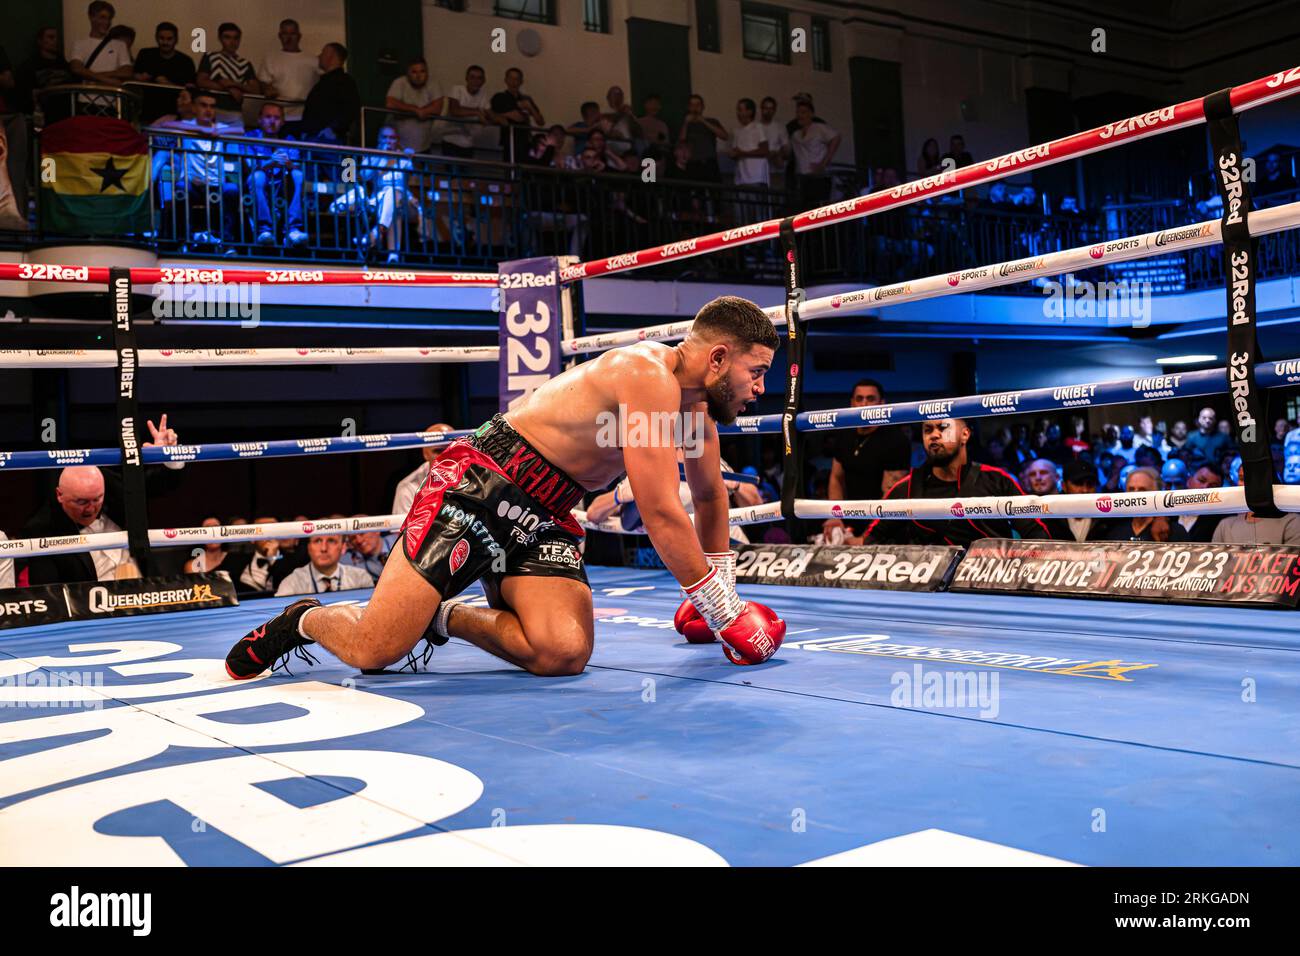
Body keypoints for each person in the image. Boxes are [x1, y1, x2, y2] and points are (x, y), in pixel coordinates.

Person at [225, 295, 787, 680]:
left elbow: (711, 499)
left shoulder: (696, 417)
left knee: (563, 652)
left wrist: (719, 593)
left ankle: (442, 615)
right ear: (717, 358)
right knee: (376, 650)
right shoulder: (646, 376)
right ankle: (301, 618)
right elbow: (662, 511)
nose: (760, 388)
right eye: (755, 371)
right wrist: (724, 611)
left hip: (546, 512)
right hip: (478, 488)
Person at [19, 416, 184, 585]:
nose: (91, 508)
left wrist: (168, 456)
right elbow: (50, 594)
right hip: (94, 605)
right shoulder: (42, 529)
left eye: (97, 499)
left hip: (147, 590)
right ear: (60, 495)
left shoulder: (110, 485)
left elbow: (156, 485)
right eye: (82, 502)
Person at [863, 418, 1049, 546]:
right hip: (927, 594)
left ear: (965, 434)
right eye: (928, 430)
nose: (934, 435)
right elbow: (873, 537)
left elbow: (1035, 531)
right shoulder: (906, 488)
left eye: (943, 428)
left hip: (988, 589)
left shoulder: (996, 480)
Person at [821, 380, 911, 543]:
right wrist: (835, 516)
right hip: (850, 521)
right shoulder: (844, 435)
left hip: (883, 529)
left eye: (870, 399)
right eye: (859, 398)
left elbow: (890, 496)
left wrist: (868, 537)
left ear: (881, 404)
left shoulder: (895, 440)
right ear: (852, 403)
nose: (864, 404)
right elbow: (836, 477)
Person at [242, 101, 306, 247]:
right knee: (258, 176)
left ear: (282, 121)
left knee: (298, 174)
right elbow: (249, 167)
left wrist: (289, 164)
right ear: (259, 119)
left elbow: (296, 164)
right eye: (268, 117)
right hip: (258, 185)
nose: (272, 121)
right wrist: (270, 163)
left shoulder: (289, 140)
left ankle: (293, 230)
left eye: (277, 118)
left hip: (282, 185)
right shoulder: (249, 137)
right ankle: (264, 230)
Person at [1213, 465, 1300, 545]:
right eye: (1242, 478)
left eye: (1256, 479)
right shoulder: (1225, 526)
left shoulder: (1292, 522)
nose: (1248, 485)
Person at [258, 19, 318, 126]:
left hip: (306, 115)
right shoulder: (270, 58)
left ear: (299, 36)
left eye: (293, 34)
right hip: (279, 118)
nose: (289, 38)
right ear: (280, 36)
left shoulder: (313, 60)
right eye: (285, 34)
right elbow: (263, 82)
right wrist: (267, 88)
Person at [275, 531, 375, 596]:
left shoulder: (361, 578)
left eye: (331, 541)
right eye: (317, 541)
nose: (323, 548)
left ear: (343, 547)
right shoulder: (292, 583)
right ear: (309, 548)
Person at [1104, 468, 1185, 542]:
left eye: (1142, 490)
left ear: (1157, 492)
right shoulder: (1115, 531)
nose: (1135, 495)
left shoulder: (1174, 531)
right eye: (1131, 489)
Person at [300, 43, 359, 144]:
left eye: (322, 53)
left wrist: (333, 129)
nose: (319, 56)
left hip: (328, 141)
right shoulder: (323, 83)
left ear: (330, 56)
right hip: (314, 139)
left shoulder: (344, 82)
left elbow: (350, 109)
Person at [1041, 459, 1112, 542]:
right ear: (1063, 485)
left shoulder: (1107, 517)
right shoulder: (1049, 515)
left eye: (1090, 484)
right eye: (1078, 483)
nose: (1085, 490)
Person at [68, 2, 134, 88]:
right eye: (102, 17)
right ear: (91, 17)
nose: (107, 22)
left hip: (112, 98)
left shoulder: (120, 45)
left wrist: (91, 76)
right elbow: (76, 68)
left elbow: (126, 71)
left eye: (109, 18)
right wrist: (107, 80)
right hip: (85, 96)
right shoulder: (79, 44)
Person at [385, 57, 442, 153]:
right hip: (399, 147)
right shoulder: (399, 83)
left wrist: (406, 113)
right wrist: (416, 110)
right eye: (414, 72)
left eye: (422, 71)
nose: (418, 76)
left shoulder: (433, 84)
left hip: (424, 146)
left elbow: (437, 108)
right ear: (408, 73)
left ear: (427, 72)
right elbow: (390, 104)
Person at [790, 100, 840, 210]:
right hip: (803, 177)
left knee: (820, 209)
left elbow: (836, 138)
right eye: (798, 112)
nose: (800, 115)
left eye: (803, 112)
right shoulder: (795, 135)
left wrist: (824, 163)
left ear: (811, 114)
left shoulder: (819, 128)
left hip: (818, 177)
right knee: (805, 209)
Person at [196, 22, 259, 106]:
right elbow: (201, 81)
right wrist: (228, 88)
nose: (232, 42)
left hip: (235, 109)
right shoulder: (210, 57)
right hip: (211, 107)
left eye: (236, 38)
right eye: (227, 37)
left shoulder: (245, 64)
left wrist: (234, 84)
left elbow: (255, 90)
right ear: (220, 38)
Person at [491, 67, 544, 163]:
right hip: (509, 140)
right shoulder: (500, 97)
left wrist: (530, 107)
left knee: (525, 171)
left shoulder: (526, 99)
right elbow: (492, 114)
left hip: (525, 140)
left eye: (517, 79)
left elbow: (540, 122)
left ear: (521, 82)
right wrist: (508, 114)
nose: (514, 82)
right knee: (509, 169)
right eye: (511, 78)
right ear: (506, 80)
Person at [440, 64, 491, 158]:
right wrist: (477, 112)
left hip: (468, 144)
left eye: (479, 78)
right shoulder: (457, 89)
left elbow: (489, 113)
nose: (475, 81)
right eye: (472, 77)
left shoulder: (483, 95)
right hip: (450, 141)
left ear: (483, 81)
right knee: (450, 172)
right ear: (466, 78)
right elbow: (455, 110)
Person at [677, 93, 728, 181]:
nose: (695, 107)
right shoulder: (685, 123)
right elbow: (681, 141)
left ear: (703, 107)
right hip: (692, 163)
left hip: (710, 162)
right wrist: (685, 123)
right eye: (692, 105)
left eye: (698, 105)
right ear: (688, 107)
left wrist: (704, 121)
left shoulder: (712, 121)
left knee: (715, 192)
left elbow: (724, 136)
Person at [1174, 463, 1225, 542]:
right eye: (1201, 481)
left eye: (1213, 486)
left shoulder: (1220, 521)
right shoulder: (1169, 511)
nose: (1205, 488)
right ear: (1189, 481)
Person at [729, 98, 769, 187]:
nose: (738, 113)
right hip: (740, 177)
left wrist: (743, 153)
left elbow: (764, 151)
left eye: (740, 109)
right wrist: (733, 154)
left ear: (749, 112)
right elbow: (736, 153)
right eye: (737, 110)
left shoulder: (758, 127)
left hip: (756, 177)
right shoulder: (737, 130)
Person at [1183, 407, 1232, 471]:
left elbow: (1232, 455)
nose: (1207, 420)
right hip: (1196, 474)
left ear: (1215, 420)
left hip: (1217, 474)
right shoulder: (1191, 437)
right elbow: (1186, 456)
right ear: (1199, 419)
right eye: (1204, 418)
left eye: (1210, 418)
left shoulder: (1223, 438)